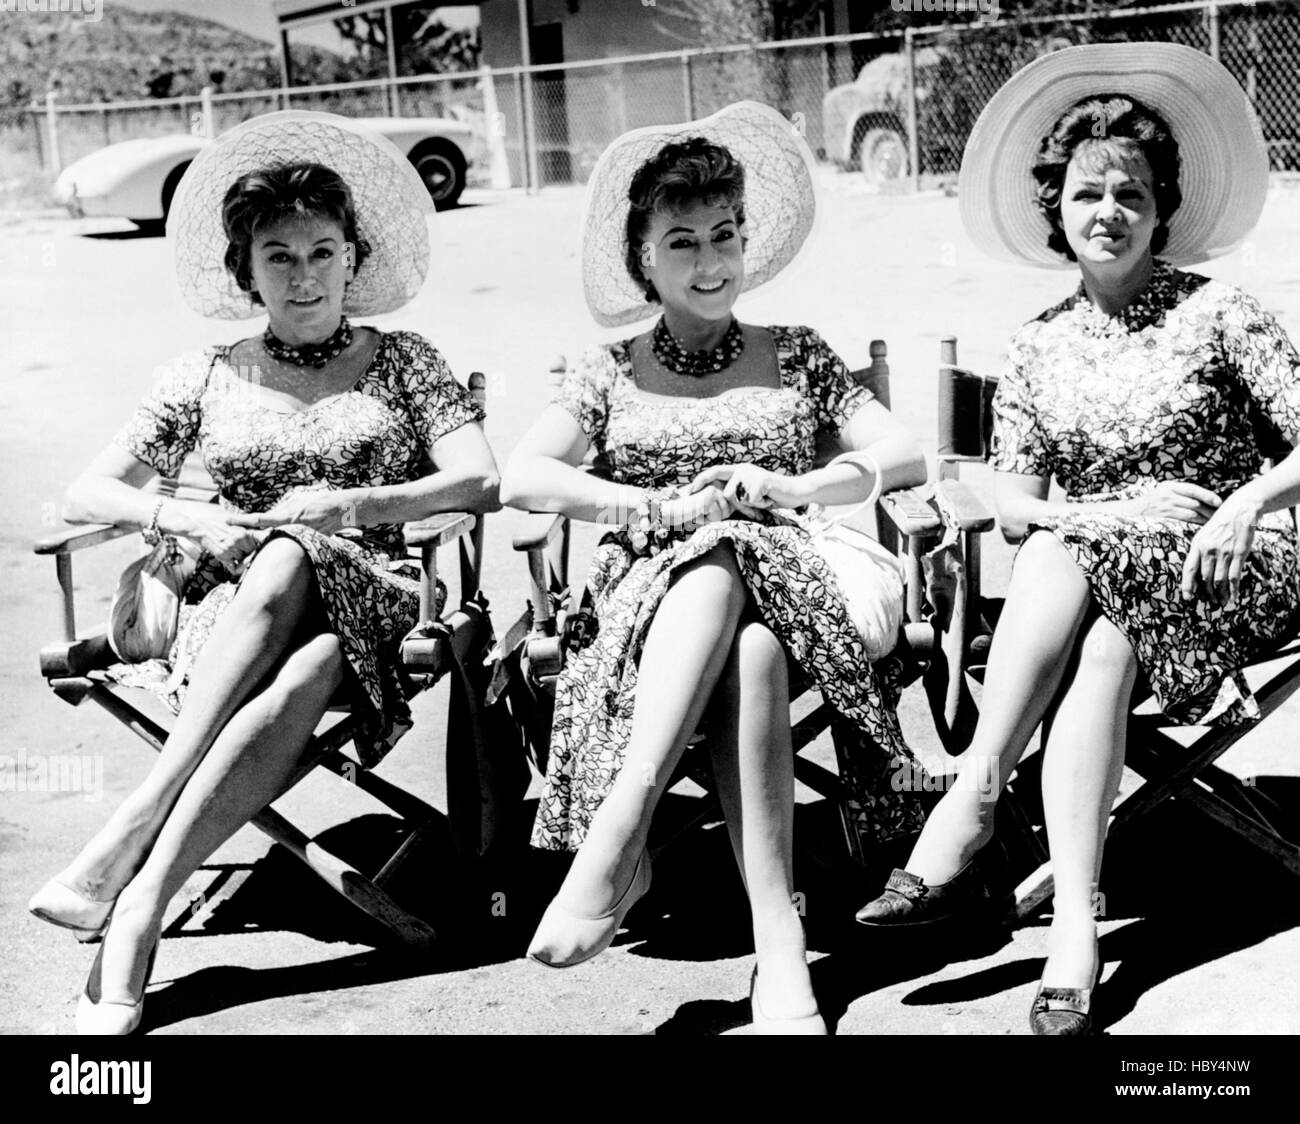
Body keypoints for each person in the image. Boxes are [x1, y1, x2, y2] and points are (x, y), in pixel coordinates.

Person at [855, 43, 1300, 1035]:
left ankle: (971, 806)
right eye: (1088, 191)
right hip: (1107, 581)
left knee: (1081, 569)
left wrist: (1243, 505)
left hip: (1236, 562)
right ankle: (1071, 924)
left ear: (1161, 208)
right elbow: (1012, 501)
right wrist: (1103, 515)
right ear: (1055, 204)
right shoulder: (1037, 344)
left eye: (1131, 194)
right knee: (1089, 602)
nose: (1110, 210)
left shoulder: (1219, 315)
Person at [27, 111, 500, 1034]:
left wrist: (348, 509)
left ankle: (138, 834)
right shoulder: (206, 374)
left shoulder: (406, 362)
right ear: (246, 271)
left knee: (294, 551)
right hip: (240, 618)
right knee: (309, 654)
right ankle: (141, 908)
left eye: (323, 251)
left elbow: (480, 479)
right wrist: (187, 514)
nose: (305, 275)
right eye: (278, 256)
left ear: (353, 256)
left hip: (383, 595)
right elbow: (91, 490)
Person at [501, 101, 927, 1034]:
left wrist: (798, 483)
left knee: (733, 549)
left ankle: (622, 827)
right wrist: (645, 507)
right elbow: (522, 477)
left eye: (726, 234)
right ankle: (782, 948)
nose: (711, 259)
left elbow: (904, 457)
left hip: (806, 565)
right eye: (684, 239)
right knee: (750, 645)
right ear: (642, 258)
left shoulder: (800, 354)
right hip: (657, 588)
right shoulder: (608, 371)